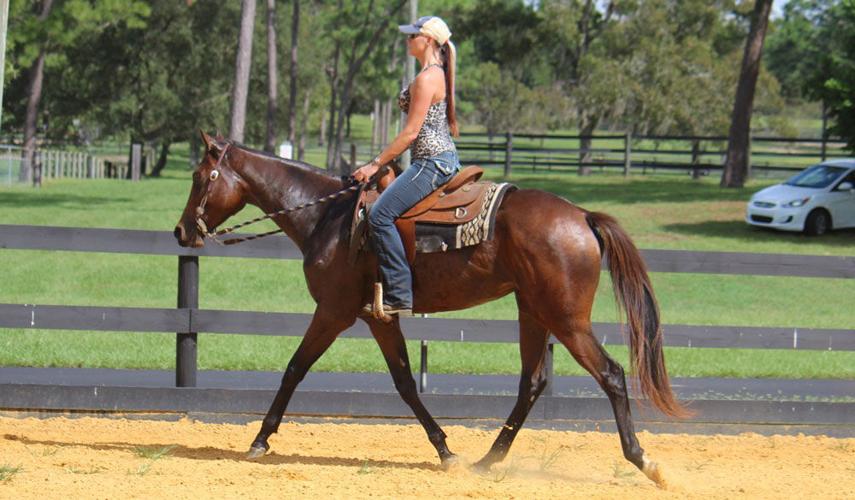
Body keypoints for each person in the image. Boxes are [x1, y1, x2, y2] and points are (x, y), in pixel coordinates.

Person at [352, 15, 460, 318]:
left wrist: (376, 164)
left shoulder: (428, 79)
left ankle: (399, 293)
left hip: (431, 163)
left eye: (412, 36)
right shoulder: (433, 73)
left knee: (380, 215)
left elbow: (411, 133)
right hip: (435, 160)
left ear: (427, 40)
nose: (407, 40)